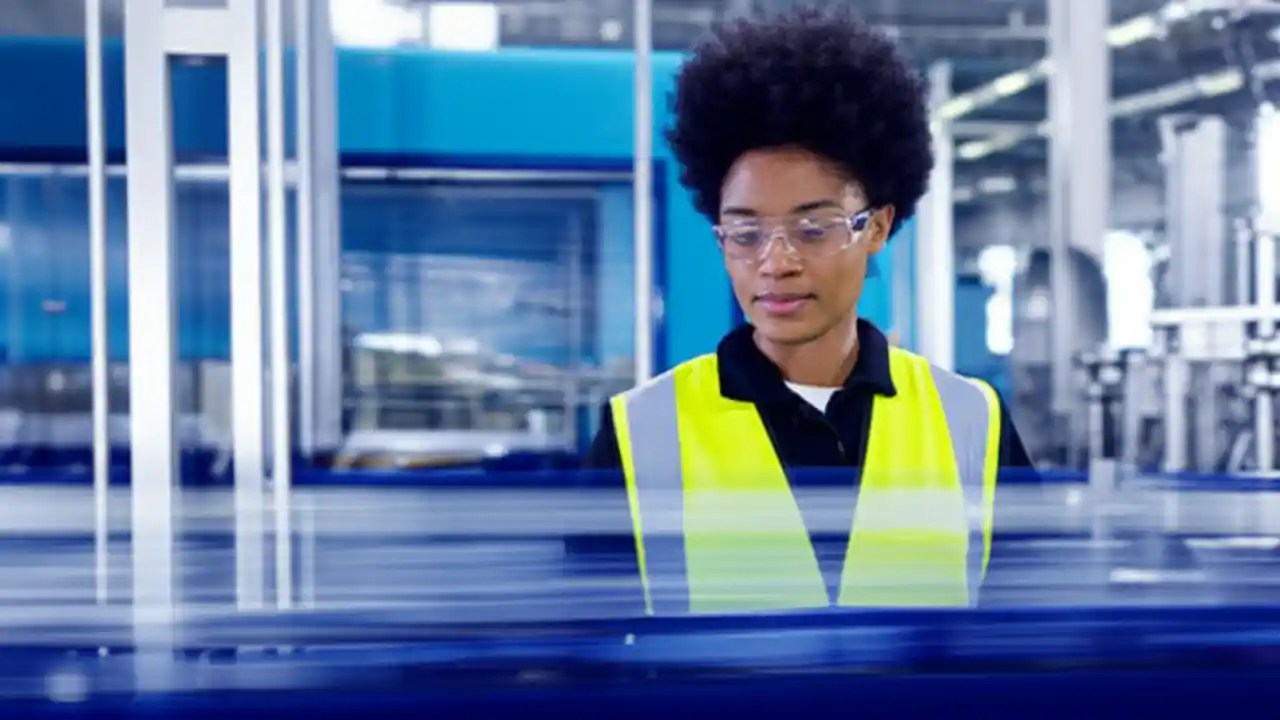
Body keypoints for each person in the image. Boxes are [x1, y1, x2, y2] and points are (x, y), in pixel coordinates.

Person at [583, 7, 1037, 616]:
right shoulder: (639, 434)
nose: (776, 263)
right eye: (745, 233)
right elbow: (593, 653)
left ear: (876, 227)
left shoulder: (971, 423)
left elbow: (1030, 630)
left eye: (813, 229)